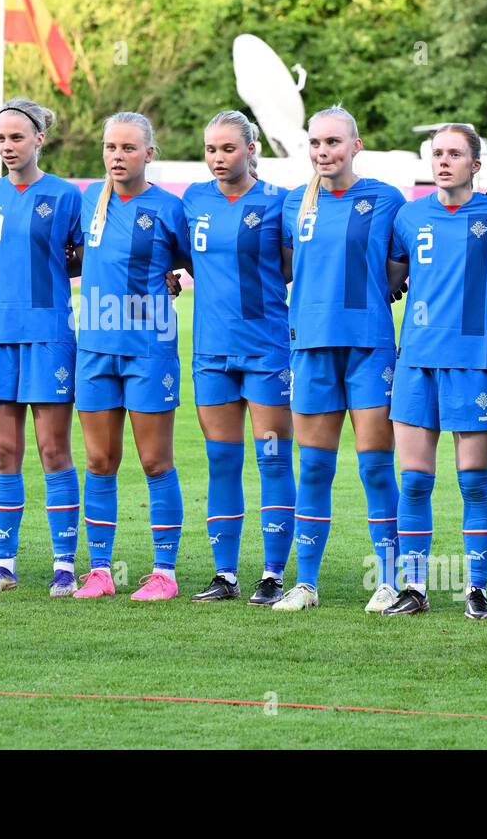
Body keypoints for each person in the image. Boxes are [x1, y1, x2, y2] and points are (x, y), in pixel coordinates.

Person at [273, 106, 406, 613]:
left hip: (369, 349)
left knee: (376, 467)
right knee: (313, 470)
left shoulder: (386, 199)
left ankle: (390, 581)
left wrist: (374, 298)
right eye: (316, 143)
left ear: (356, 145)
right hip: (309, 348)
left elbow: (399, 269)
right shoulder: (293, 206)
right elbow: (282, 268)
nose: (323, 151)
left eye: (333, 142)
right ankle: (305, 584)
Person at [383, 124, 487, 618]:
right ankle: (414, 588)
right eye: (438, 153)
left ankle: (476, 588)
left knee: (473, 479)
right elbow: (390, 278)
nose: (444, 161)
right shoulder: (409, 216)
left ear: (475, 165)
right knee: (414, 481)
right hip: (415, 362)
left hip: (474, 362)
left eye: (455, 154)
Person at [0, 98, 83, 596]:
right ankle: (3, 564)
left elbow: (82, 259)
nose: (8, 146)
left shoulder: (66, 196)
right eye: (0, 139)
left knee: (54, 450)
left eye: (17, 137)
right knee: (4, 452)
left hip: (50, 334)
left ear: (39, 139)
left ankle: (64, 565)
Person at [72, 112, 192, 601]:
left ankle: (164, 571)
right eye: (110, 148)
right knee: (99, 461)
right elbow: (70, 256)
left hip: (148, 350)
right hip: (95, 348)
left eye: (127, 148)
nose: (117, 157)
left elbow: (191, 261)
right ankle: (100, 571)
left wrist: (173, 280)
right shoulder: (87, 203)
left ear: (149, 154)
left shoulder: (169, 208)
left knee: (154, 460)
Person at [180, 111, 295, 605]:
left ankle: (272, 575)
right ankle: (224, 575)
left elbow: (290, 266)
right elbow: (182, 257)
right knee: (221, 461)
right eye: (210, 149)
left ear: (251, 150)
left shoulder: (277, 203)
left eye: (227, 149)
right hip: (210, 353)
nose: (217, 158)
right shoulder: (194, 200)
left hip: (266, 350)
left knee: (272, 460)